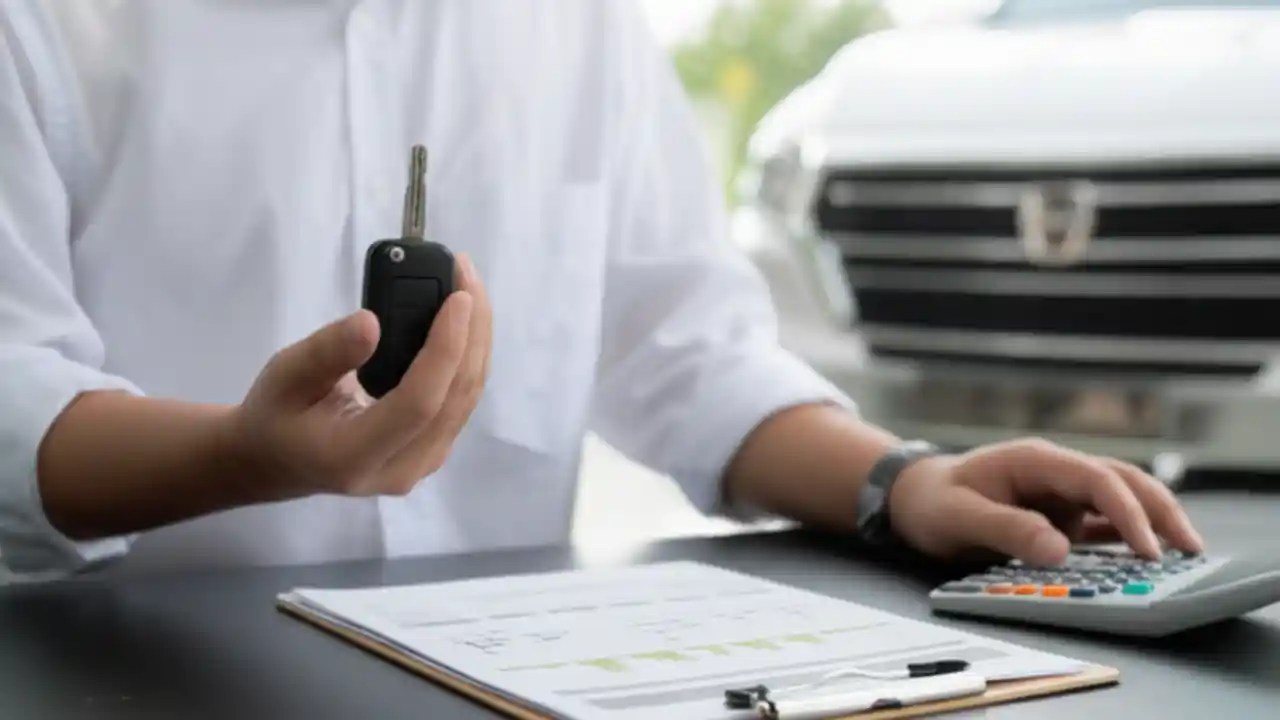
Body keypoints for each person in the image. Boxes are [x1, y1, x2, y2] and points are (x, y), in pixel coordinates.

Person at [0, 0, 1201, 578]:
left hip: (499, 668)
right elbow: (14, 393)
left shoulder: (574, 21)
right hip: (133, 664)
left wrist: (903, 480)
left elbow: (677, 345)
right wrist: (248, 458)